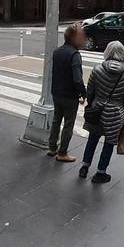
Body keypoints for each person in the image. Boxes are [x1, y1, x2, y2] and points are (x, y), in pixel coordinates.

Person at [80, 41, 124, 184]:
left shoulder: (97, 69)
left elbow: (90, 92)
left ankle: (84, 167)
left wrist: (92, 106)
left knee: (92, 139)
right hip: (116, 114)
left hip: (98, 108)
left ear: (107, 52)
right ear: (123, 54)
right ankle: (100, 173)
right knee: (109, 143)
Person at [47, 23, 87, 162]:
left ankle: (52, 148)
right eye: (81, 36)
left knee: (56, 120)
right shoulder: (75, 55)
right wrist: (83, 93)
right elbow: (77, 78)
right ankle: (62, 153)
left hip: (56, 93)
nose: (84, 39)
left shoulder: (57, 51)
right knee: (68, 124)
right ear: (73, 37)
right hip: (69, 96)